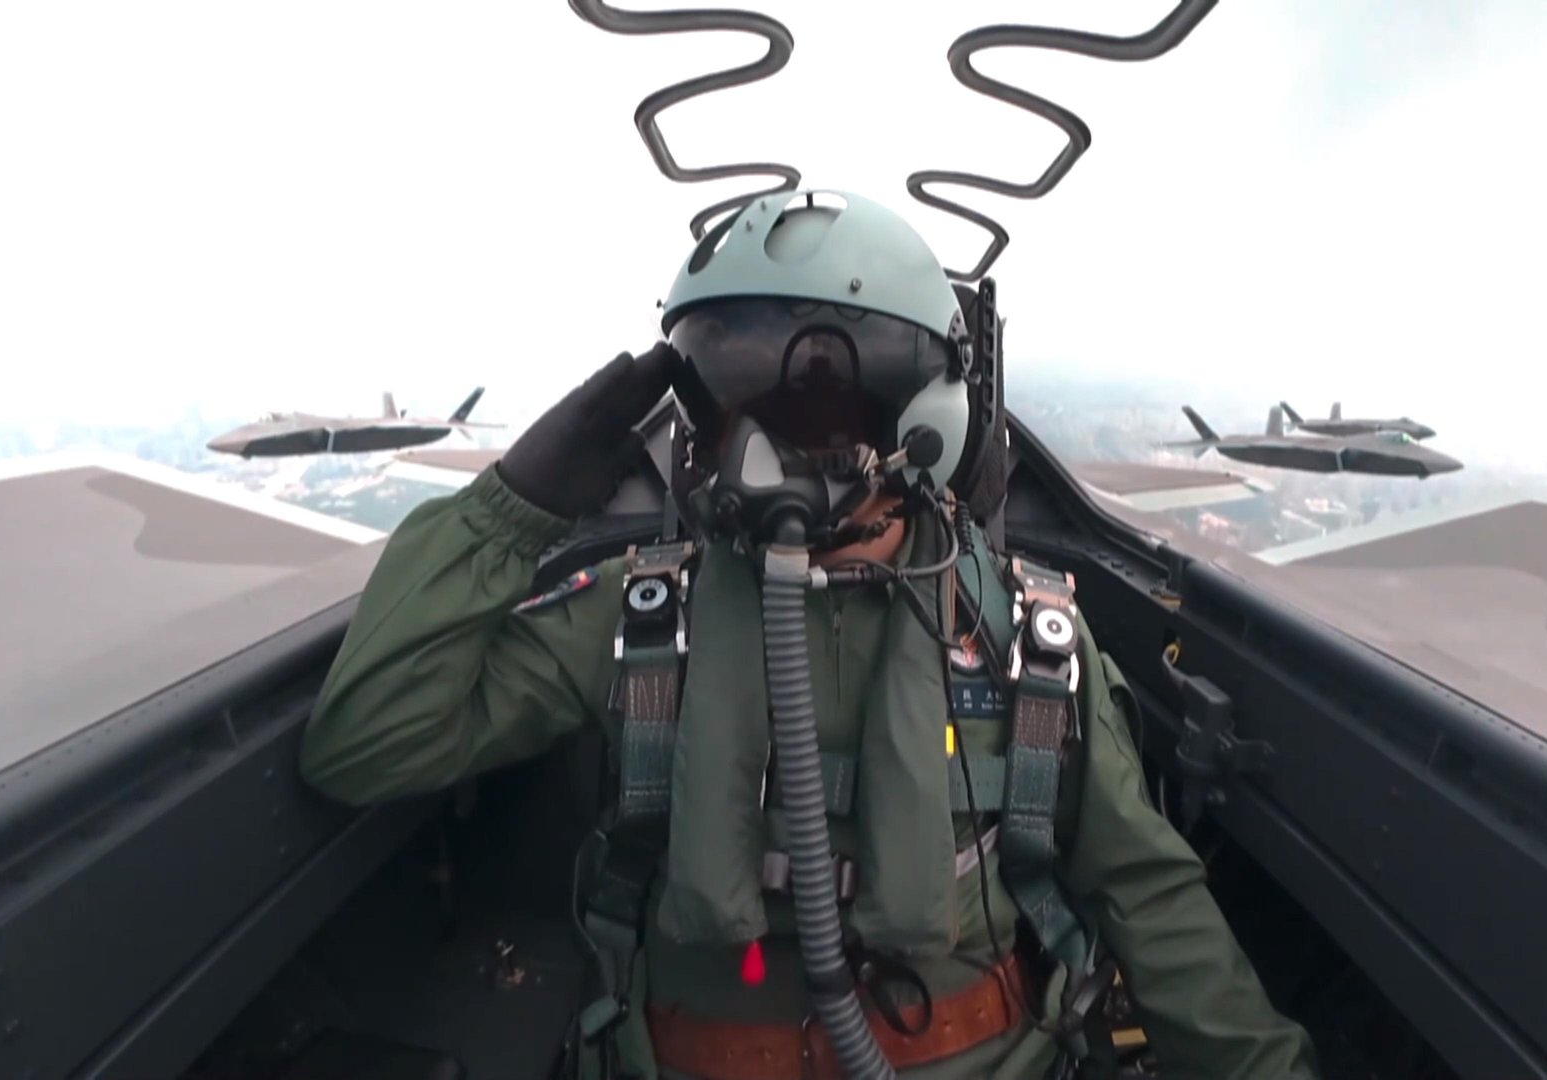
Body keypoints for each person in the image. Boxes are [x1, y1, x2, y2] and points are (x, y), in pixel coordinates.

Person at [299, 190, 1320, 1080]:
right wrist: (516, 503)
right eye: (744, 392)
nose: (793, 445)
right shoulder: (641, 614)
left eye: (849, 389)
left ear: (933, 408)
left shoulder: (1031, 639)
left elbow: (1158, 911)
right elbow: (369, 740)